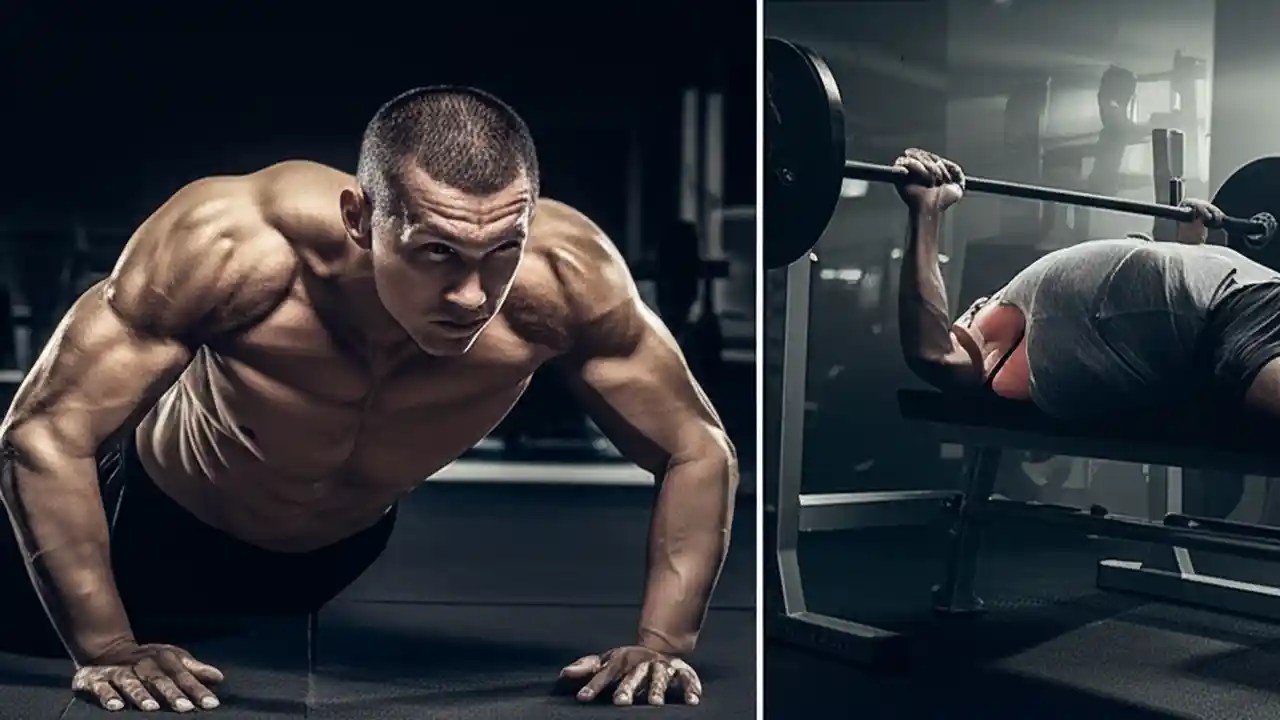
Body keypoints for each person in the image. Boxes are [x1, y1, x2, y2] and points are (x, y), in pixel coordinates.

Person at [0, 86, 737, 712]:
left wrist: (661, 645)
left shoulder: (569, 282)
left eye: (501, 251)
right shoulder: (236, 243)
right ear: (358, 218)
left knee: (232, 642)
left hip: (332, 554)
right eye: (437, 252)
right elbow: (43, 432)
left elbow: (697, 447)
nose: (472, 295)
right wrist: (107, 647)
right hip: (142, 521)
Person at [894, 147, 1280, 420]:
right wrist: (926, 210)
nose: (967, 311)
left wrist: (1189, 241)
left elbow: (1153, 299)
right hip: (1231, 324)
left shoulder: (1023, 313)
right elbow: (932, 354)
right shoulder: (995, 359)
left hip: (1249, 295)